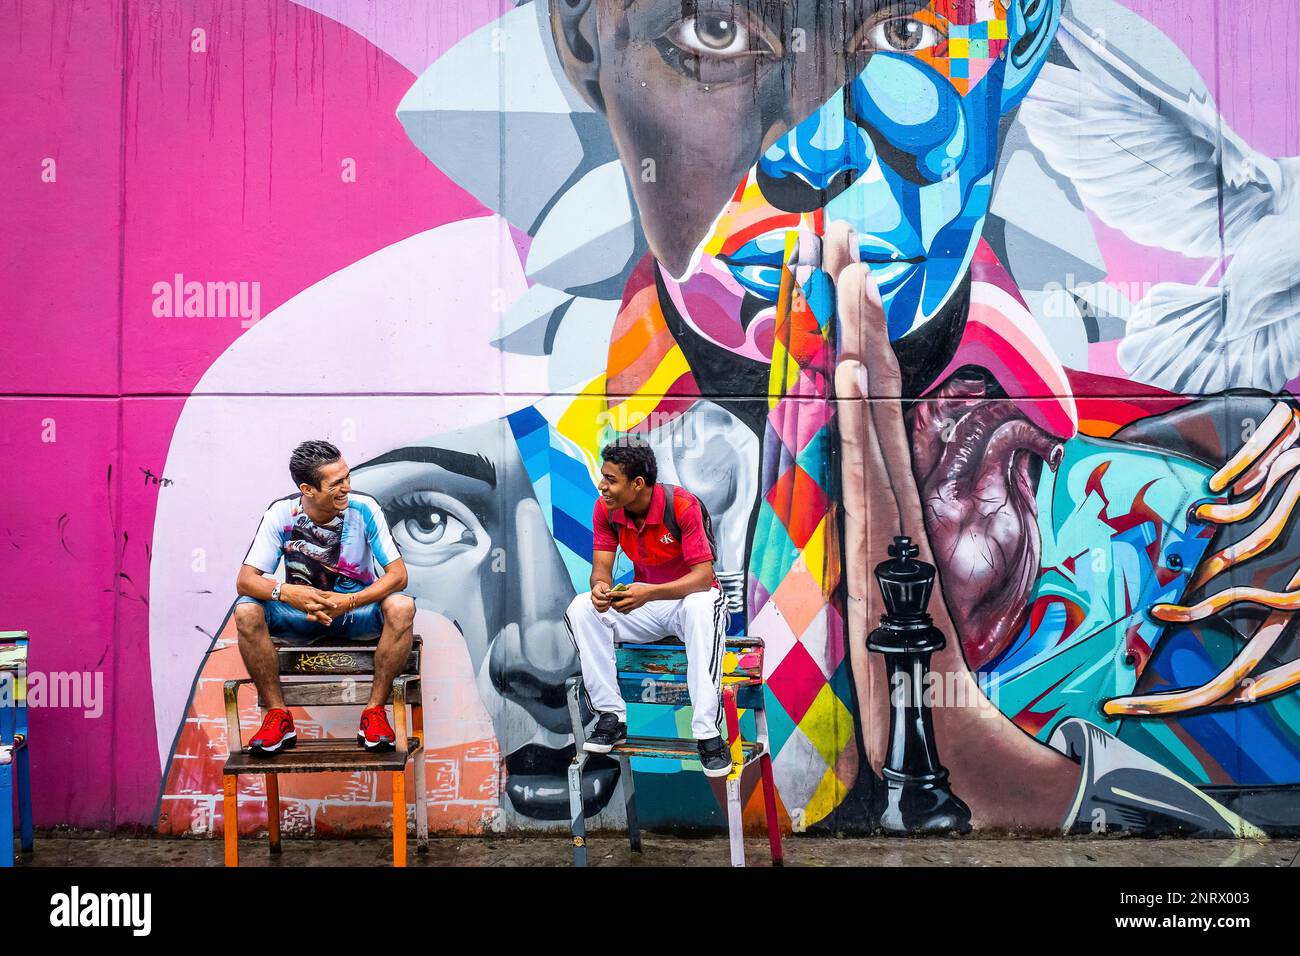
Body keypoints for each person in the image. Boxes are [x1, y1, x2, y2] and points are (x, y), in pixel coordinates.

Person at [233, 440, 416, 755]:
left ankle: (374, 712)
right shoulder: (281, 514)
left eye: (347, 477)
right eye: (337, 483)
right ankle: (279, 716)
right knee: (246, 611)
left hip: (354, 612)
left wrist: (348, 602)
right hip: (301, 615)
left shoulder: (365, 508)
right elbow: (245, 581)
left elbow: (398, 575)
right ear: (308, 489)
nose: (347, 487)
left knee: (402, 605)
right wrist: (289, 593)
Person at [564, 439, 731, 776]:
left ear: (637, 484)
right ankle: (611, 717)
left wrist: (649, 593)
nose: (602, 486)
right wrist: (601, 589)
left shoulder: (682, 506)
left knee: (702, 604)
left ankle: (708, 735)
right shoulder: (606, 509)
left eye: (611, 479)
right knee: (582, 607)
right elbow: (601, 569)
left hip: (686, 603)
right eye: (603, 477)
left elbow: (702, 578)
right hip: (649, 606)